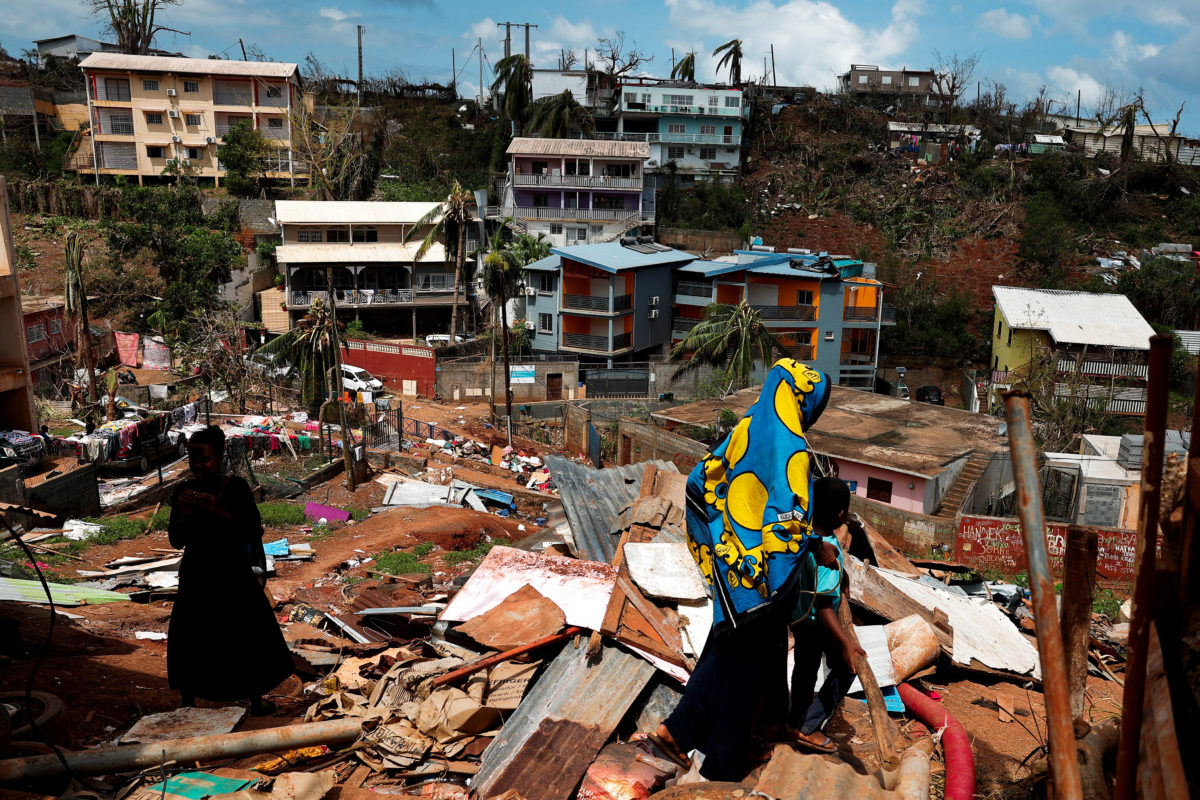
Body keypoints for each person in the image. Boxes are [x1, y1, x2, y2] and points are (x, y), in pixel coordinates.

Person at [653, 359, 831, 781]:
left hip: (733, 571)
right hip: (758, 584)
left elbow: (699, 481)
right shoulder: (791, 447)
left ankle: (697, 733)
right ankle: (719, 762)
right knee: (740, 674)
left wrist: (721, 540)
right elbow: (786, 525)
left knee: (735, 655)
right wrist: (806, 550)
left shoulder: (746, 429)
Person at [166, 426, 292, 714]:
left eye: (205, 460)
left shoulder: (236, 489)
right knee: (192, 638)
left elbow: (251, 530)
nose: (198, 466)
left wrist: (219, 512)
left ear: (221, 456)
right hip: (197, 576)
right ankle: (189, 702)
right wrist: (184, 513)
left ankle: (255, 701)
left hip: (232, 574)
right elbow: (176, 540)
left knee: (245, 637)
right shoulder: (183, 492)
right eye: (193, 460)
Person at [785, 476, 866, 753]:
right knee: (848, 666)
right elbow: (821, 604)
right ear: (842, 514)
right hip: (819, 622)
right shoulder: (823, 552)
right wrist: (845, 642)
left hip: (802, 620)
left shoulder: (813, 540)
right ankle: (807, 726)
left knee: (805, 671)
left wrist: (842, 580)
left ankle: (795, 718)